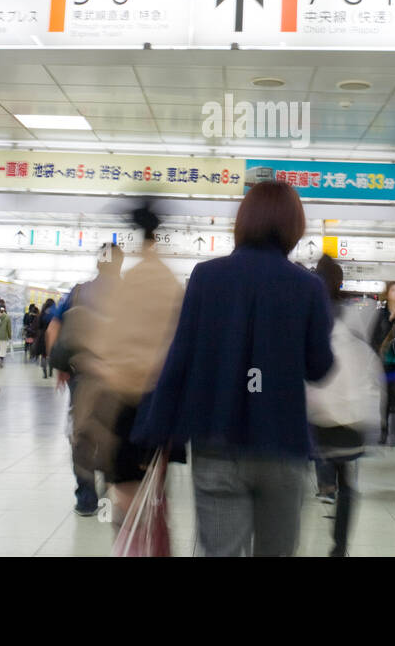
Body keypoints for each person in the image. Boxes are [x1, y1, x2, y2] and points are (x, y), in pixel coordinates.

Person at [131, 181, 333, 556]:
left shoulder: (207, 277)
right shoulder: (308, 287)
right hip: (282, 445)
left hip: (216, 442)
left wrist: (154, 430)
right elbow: (319, 367)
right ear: (295, 226)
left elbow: (180, 358)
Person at [68, 206, 184, 528]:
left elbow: (106, 346)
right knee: (155, 495)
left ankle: (129, 541)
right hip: (159, 407)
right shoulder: (171, 283)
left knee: (126, 498)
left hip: (123, 405)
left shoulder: (128, 283)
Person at [308, 254, 382, 556]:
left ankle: (322, 493)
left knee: (308, 467)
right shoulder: (357, 315)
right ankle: (340, 545)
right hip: (351, 411)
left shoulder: (311, 313)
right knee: (347, 479)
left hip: (316, 408)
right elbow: (370, 363)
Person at [49, 243, 125, 517]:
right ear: (120, 264)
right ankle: (110, 484)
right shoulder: (131, 292)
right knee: (116, 429)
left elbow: (54, 327)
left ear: (98, 263)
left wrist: (59, 365)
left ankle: (86, 498)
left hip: (81, 375)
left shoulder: (78, 291)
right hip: (119, 375)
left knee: (82, 433)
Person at [373, 281, 395, 445]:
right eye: (393, 290)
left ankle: (394, 432)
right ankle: (384, 430)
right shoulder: (381, 314)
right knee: (386, 396)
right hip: (385, 360)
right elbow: (373, 336)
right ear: (387, 294)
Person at [37, 298, 56, 377]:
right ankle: (51, 370)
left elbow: (39, 326)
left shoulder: (42, 313)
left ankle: (45, 372)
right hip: (52, 336)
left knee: (44, 355)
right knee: (51, 354)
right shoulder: (54, 313)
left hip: (43, 336)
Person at [0, 298, 12, 369]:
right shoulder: (7, 317)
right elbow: (9, 328)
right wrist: (10, 336)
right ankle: (1, 361)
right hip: (4, 336)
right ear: (4, 309)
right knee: (3, 350)